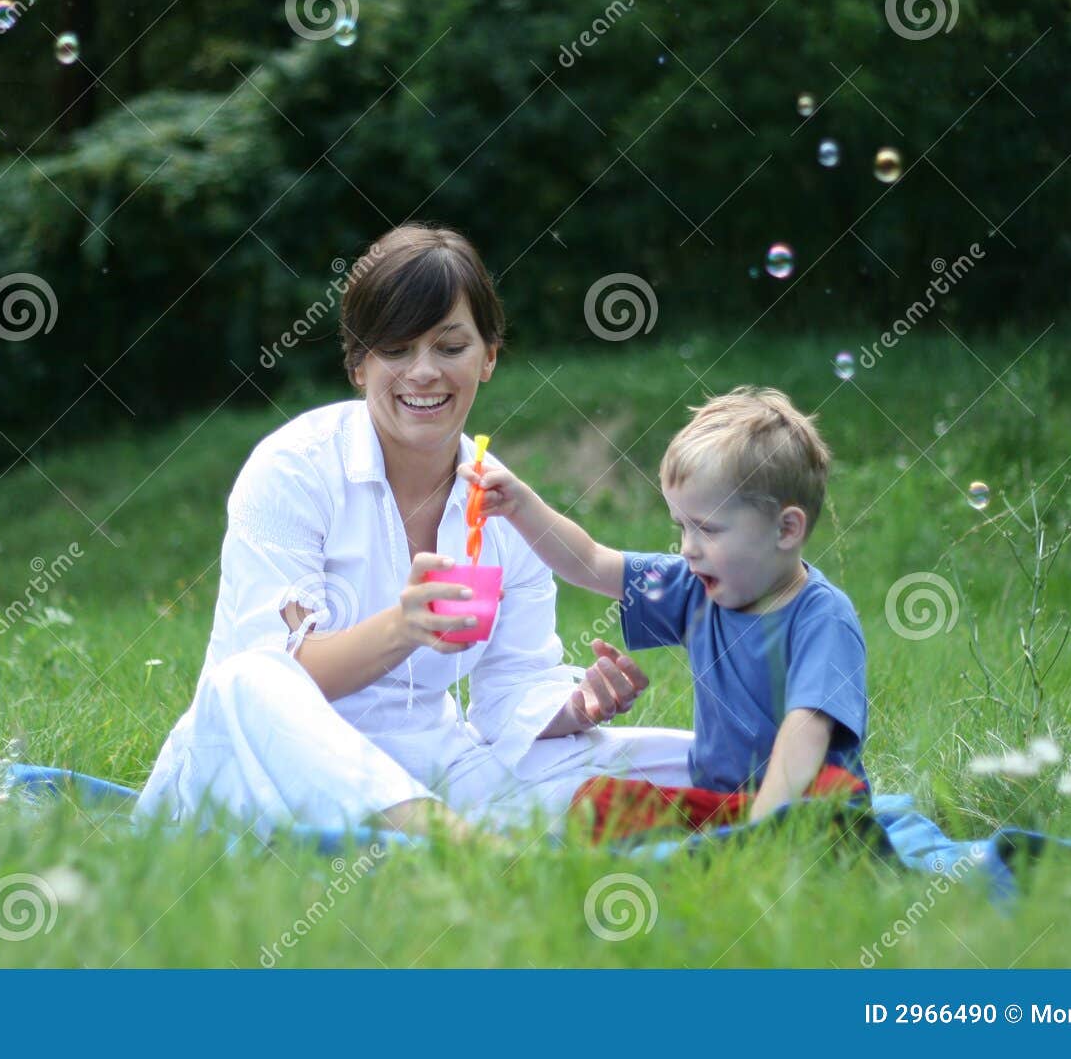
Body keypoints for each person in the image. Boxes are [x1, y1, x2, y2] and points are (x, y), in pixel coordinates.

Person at [135, 223, 693, 839]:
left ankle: (787, 787)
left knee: (672, 759)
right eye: (396, 351)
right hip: (257, 775)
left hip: (431, 768)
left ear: (489, 357)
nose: (423, 373)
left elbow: (510, 691)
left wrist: (580, 703)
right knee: (249, 677)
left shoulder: (504, 503)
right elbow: (281, 681)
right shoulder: (293, 468)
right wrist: (404, 628)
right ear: (358, 365)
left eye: (450, 347)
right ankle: (466, 849)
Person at [459, 385, 868, 829]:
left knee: (827, 813)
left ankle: (746, 841)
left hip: (810, 807)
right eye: (682, 527)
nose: (688, 549)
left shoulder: (821, 618)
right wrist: (521, 507)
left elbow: (805, 733)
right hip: (719, 800)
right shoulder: (695, 587)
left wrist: (763, 830)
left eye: (708, 530)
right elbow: (592, 562)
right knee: (599, 805)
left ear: (786, 529)